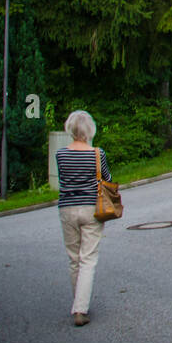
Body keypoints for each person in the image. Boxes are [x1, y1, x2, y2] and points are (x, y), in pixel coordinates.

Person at [55, 110, 112, 327]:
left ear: (70, 129)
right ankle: (81, 307)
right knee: (88, 258)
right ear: (90, 130)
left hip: (67, 208)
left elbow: (64, 179)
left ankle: (78, 301)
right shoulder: (97, 154)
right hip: (91, 208)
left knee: (74, 258)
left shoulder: (60, 154)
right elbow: (107, 178)